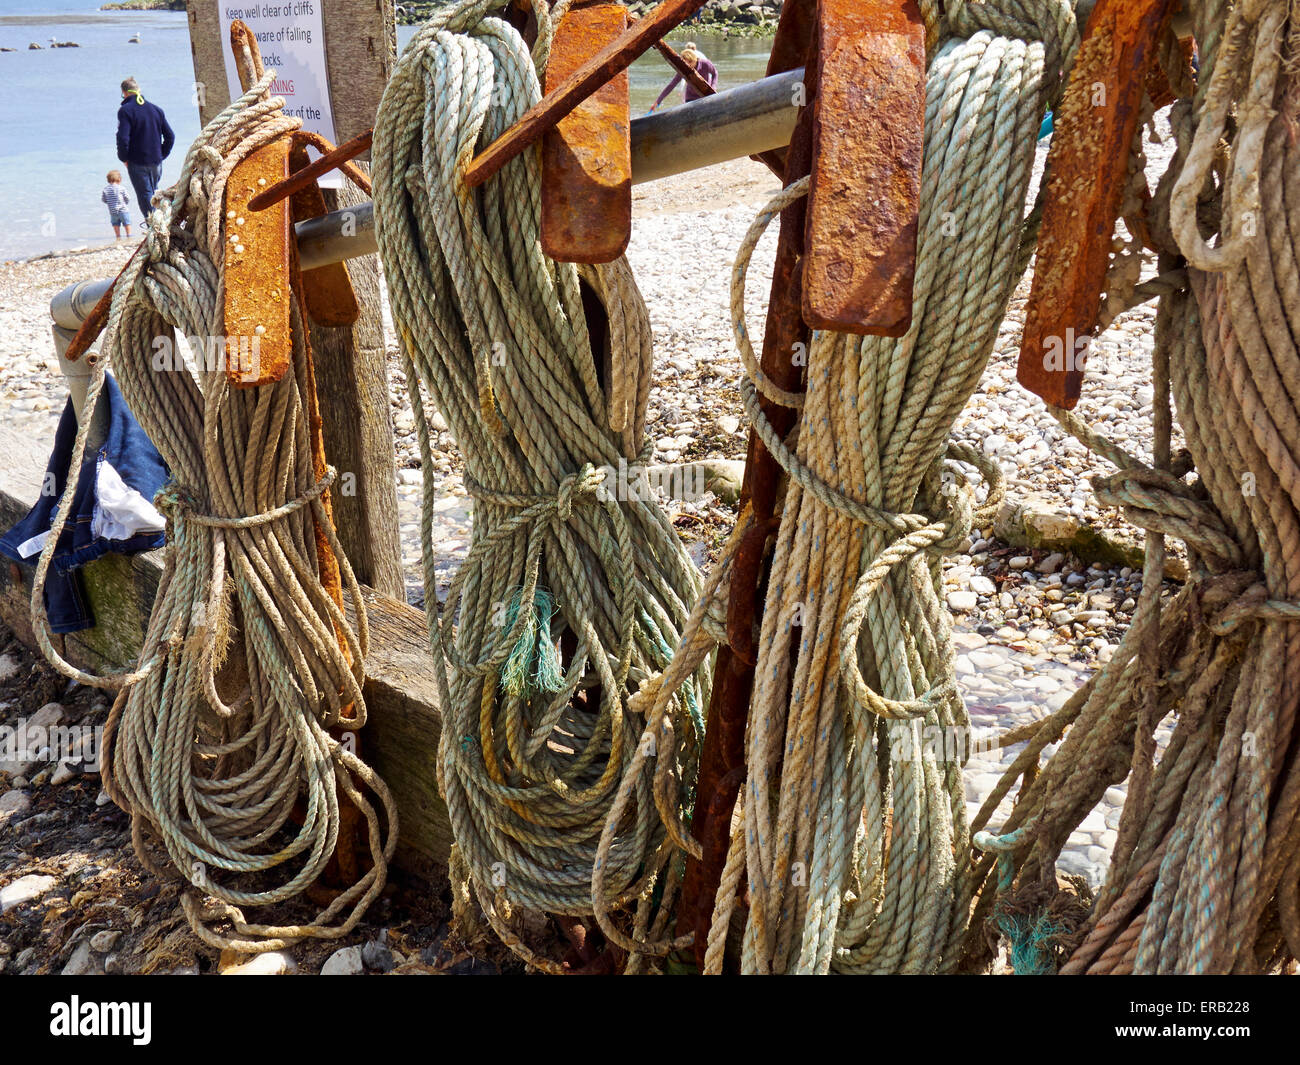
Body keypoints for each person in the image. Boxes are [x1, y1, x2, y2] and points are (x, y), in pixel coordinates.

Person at [116, 77, 174, 224]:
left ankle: (155, 228)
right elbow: (170, 136)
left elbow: (123, 139)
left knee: (145, 197)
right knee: (154, 194)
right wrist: (161, 155)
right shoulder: (156, 110)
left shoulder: (125, 111)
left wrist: (124, 158)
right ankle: (162, 224)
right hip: (156, 162)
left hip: (137, 163)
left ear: (125, 93)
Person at [649, 43, 718, 113]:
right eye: (685, 63)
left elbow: (715, 73)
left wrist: (713, 87)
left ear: (694, 60)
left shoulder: (705, 64)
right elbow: (671, 85)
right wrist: (658, 101)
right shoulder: (683, 68)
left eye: (689, 63)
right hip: (690, 97)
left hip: (705, 94)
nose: (687, 66)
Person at [101, 170, 131, 240]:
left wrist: (110, 203)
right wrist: (125, 203)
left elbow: (103, 200)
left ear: (108, 180)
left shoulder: (106, 189)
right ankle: (128, 236)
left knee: (115, 225)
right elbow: (127, 198)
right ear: (119, 179)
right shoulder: (122, 188)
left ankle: (118, 237)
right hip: (123, 210)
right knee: (127, 223)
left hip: (112, 212)